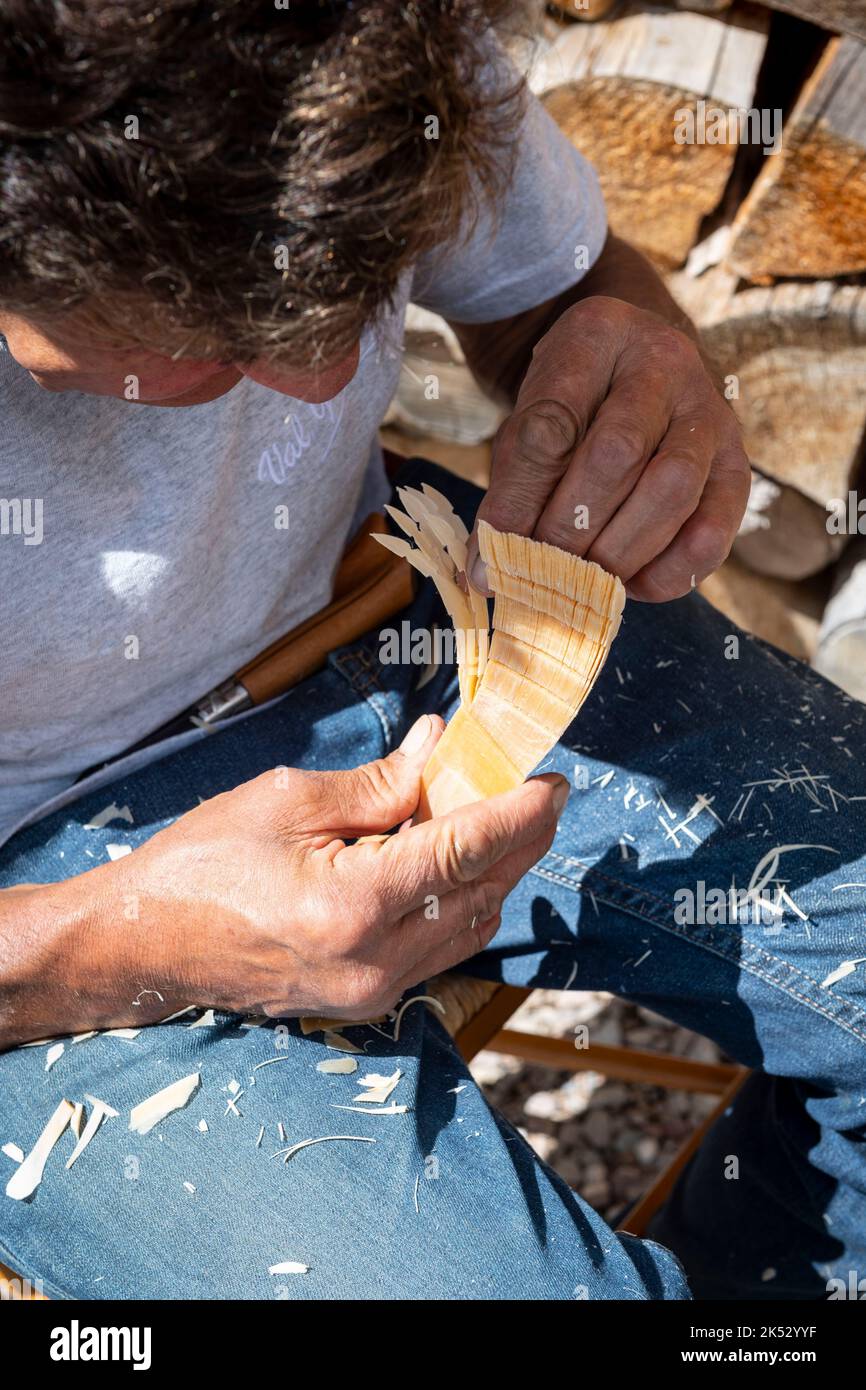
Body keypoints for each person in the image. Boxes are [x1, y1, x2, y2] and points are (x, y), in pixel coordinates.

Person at [0, 1, 863, 1301]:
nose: (332, 375)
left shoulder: (332, 38)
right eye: (211, 340)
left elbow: (561, 285)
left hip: (409, 613)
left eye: (367, 283)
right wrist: (111, 938)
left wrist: (625, 349)